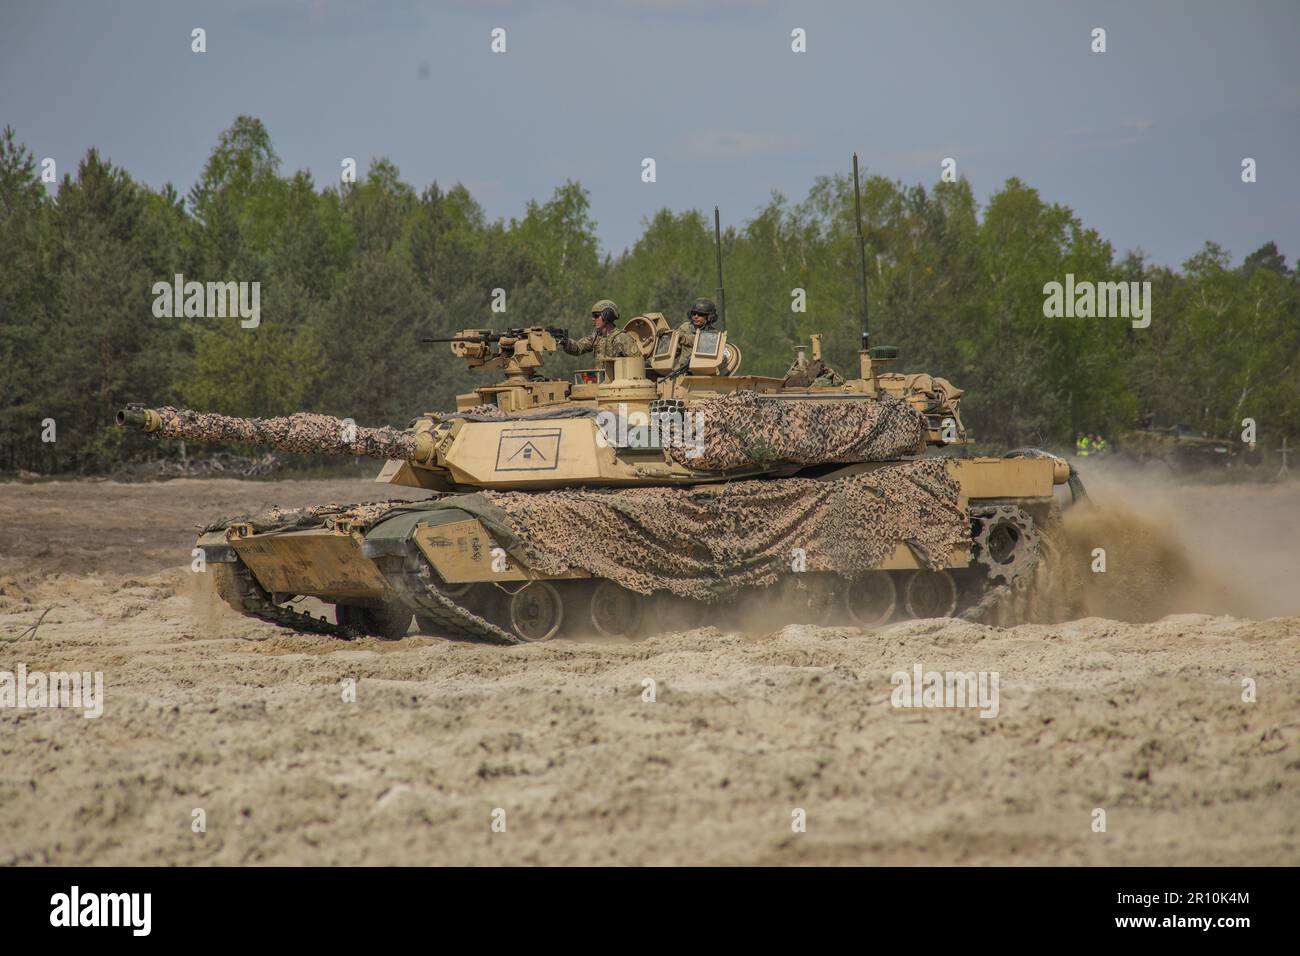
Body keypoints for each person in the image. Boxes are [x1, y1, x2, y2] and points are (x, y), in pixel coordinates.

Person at [561, 299, 640, 360]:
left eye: (596, 316)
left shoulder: (623, 338)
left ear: (607, 316)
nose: (593, 319)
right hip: (602, 380)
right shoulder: (596, 338)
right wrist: (565, 341)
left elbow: (638, 362)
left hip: (619, 381)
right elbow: (578, 348)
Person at [671, 297, 719, 374]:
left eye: (700, 314)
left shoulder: (713, 333)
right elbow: (675, 349)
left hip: (701, 371)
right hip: (682, 370)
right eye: (693, 314)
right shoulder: (685, 327)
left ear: (709, 317)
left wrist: (683, 338)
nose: (696, 316)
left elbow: (699, 342)